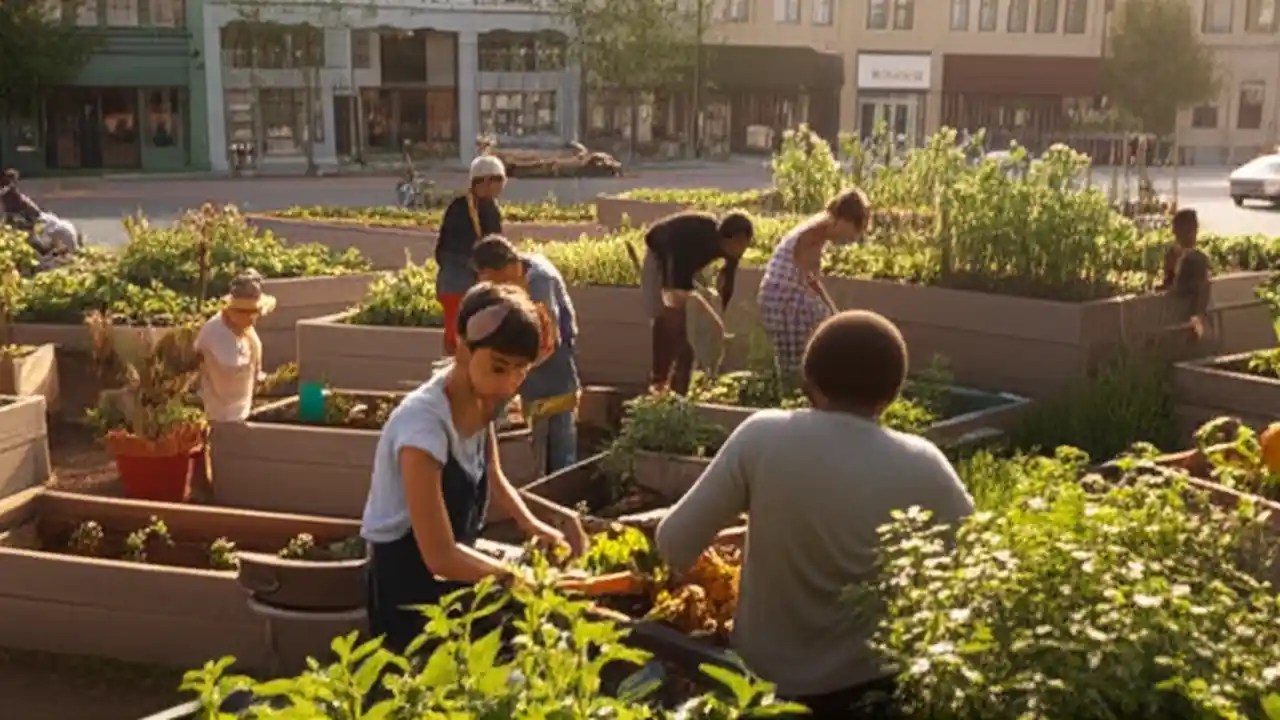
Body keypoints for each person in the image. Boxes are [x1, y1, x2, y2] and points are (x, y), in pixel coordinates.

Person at [655, 310, 975, 719]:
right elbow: (973, 572)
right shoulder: (924, 463)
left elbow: (674, 544)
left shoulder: (763, 437)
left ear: (809, 382)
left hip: (763, 690)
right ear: (892, 393)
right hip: (874, 694)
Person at [361, 282, 589, 654]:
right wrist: (521, 577)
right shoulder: (423, 427)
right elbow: (438, 555)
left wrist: (534, 523)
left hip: (459, 571)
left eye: (521, 371)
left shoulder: (483, 401)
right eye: (499, 367)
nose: (510, 383)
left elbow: (492, 475)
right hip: (408, 584)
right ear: (462, 346)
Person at [472, 235, 580, 476]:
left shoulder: (539, 281)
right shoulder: (514, 276)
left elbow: (548, 338)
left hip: (552, 368)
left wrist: (514, 372)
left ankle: (562, 498)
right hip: (526, 367)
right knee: (534, 444)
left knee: (557, 444)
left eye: (495, 280)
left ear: (506, 267)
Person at [758, 188, 870, 382]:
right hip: (782, 302)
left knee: (829, 326)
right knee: (827, 339)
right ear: (844, 220)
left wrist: (833, 311)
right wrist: (832, 316)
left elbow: (811, 281)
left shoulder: (818, 232)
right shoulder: (813, 235)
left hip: (782, 299)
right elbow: (808, 283)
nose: (850, 241)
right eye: (853, 232)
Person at [640, 211, 754, 395]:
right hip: (662, 253)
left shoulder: (730, 248)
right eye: (741, 244)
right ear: (730, 239)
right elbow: (674, 296)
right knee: (667, 317)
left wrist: (721, 317)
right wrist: (712, 318)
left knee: (689, 331)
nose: (742, 250)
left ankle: (680, 388)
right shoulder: (693, 246)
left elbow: (726, 285)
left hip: (686, 266)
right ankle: (659, 382)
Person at [191, 271, 274, 497]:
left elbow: (253, 358)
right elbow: (231, 365)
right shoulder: (215, 332)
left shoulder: (246, 330)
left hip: (242, 404)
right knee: (222, 455)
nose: (253, 318)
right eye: (248, 313)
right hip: (220, 406)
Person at [435, 156, 507, 355]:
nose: (502, 186)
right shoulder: (471, 209)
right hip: (458, 284)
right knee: (459, 339)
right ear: (482, 182)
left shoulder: (477, 205)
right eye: (498, 180)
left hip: (462, 282)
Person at [1158, 208, 1211, 340]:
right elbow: (1170, 284)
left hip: (1180, 314)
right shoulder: (1186, 257)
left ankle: (1195, 320)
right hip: (1183, 314)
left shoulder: (1194, 258)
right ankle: (1196, 320)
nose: (1196, 233)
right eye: (1193, 229)